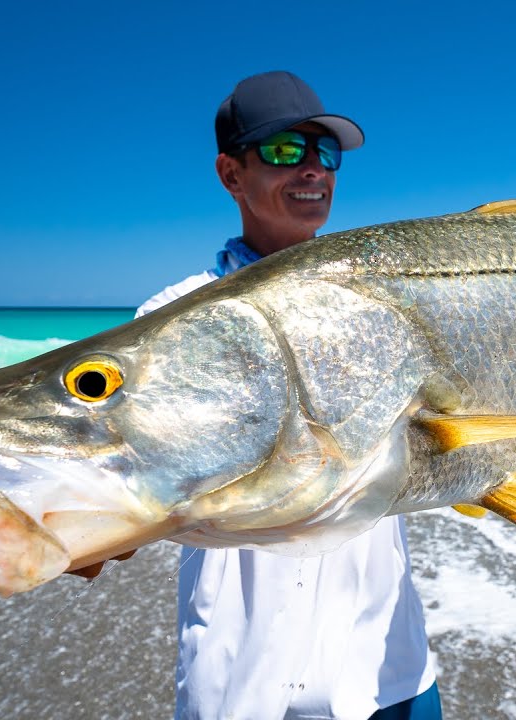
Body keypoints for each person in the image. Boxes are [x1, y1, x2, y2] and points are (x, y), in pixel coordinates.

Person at [136, 71, 441, 720]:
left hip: (392, 673)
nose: (311, 169)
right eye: (282, 150)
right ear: (231, 174)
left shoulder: (385, 298)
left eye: (323, 153)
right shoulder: (170, 323)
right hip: (244, 684)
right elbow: (124, 482)